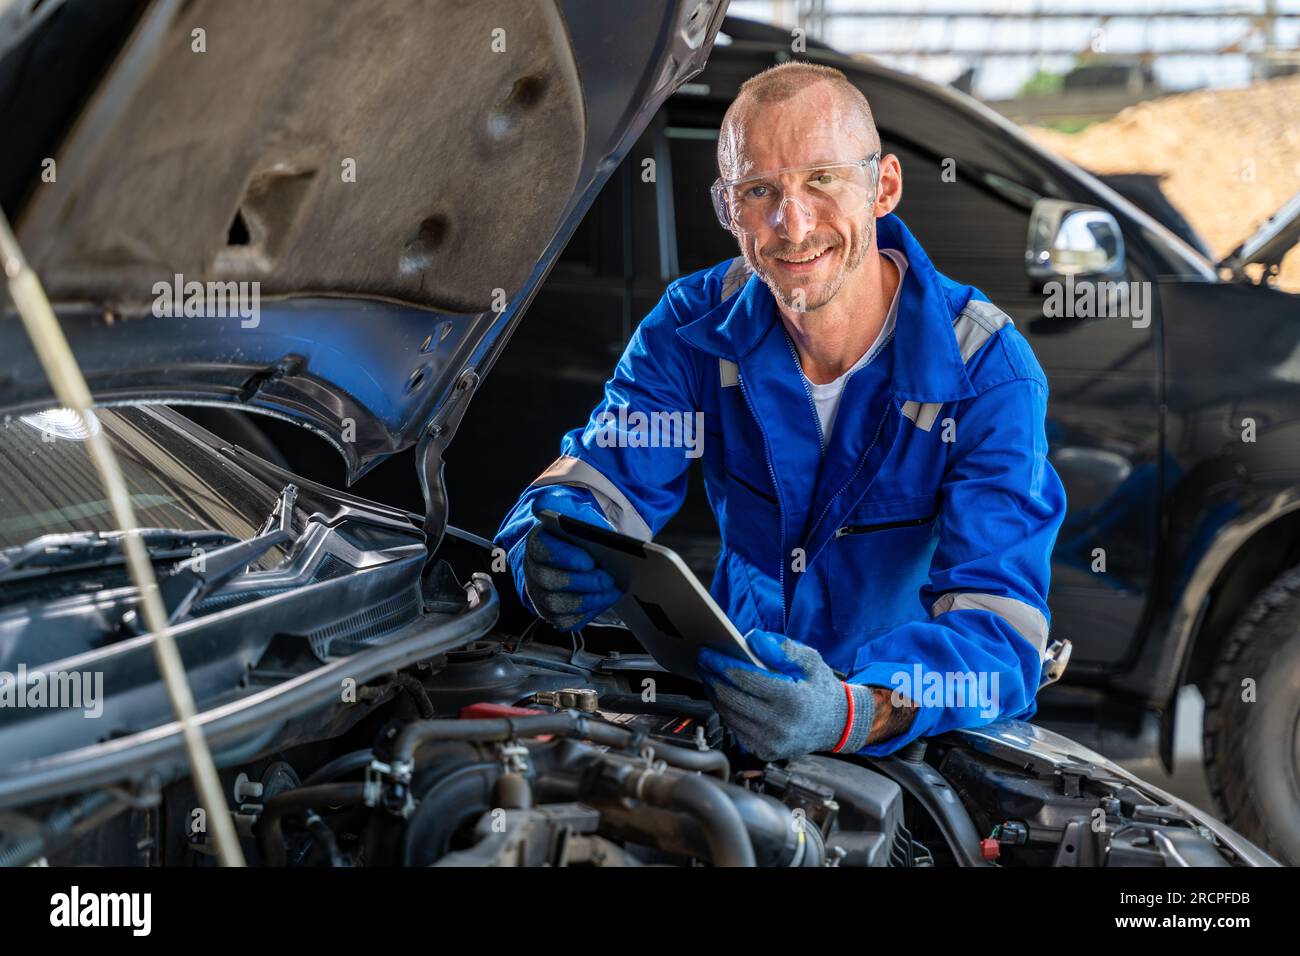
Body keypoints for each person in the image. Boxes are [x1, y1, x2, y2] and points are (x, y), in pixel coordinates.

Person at [494, 61, 1067, 760]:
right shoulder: (695, 327)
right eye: (759, 190)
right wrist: (546, 540)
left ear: (882, 187)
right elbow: (599, 474)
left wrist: (859, 711)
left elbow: (1000, 636)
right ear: (729, 210)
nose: (791, 225)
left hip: (905, 747)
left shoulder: (987, 372)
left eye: (821, 179)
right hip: (732, 718)